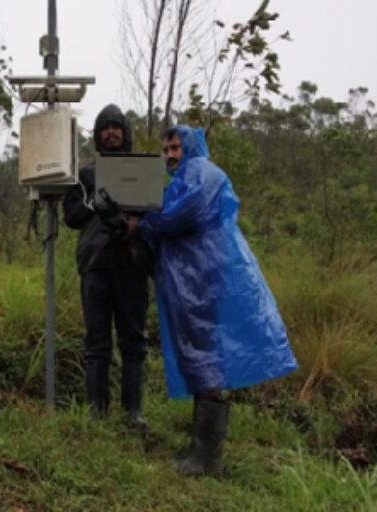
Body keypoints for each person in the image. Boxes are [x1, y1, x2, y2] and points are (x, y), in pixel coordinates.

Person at [127, 125, 298, 476]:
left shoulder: (203, 171)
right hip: (193, 283)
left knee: (208, 360)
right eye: (166, 149)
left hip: (206, 280)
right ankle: (201, 454)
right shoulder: (181, 179)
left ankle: (207, 459)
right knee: (201, 361)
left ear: (190, 146)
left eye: (175, 147)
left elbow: (183, 215)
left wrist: (144, 222)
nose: (170, 155)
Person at [62, 104, 150, 426]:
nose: (112, 132)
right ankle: (96, 413)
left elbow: (155, 209)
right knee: (96, 341)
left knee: (134, 340)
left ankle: (133, 412)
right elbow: (71, 216)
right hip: (95, 265)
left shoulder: (141, 170)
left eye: (117, 127)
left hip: (132, 263)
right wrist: (100, 201)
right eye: (105, 128)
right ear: (98, 135)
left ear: (125, 134)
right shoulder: (85, 174)